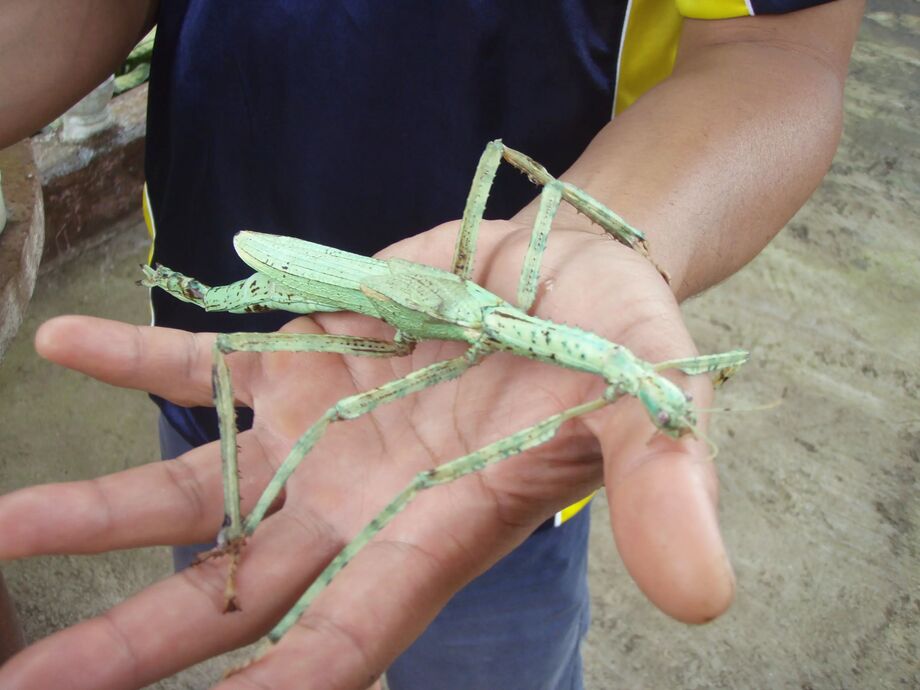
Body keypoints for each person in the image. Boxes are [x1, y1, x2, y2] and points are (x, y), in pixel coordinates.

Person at [0, 1, 863, 688]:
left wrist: (616, 237)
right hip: (230, 369)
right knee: (252, 590)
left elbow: (775, 51)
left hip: (485, 493)